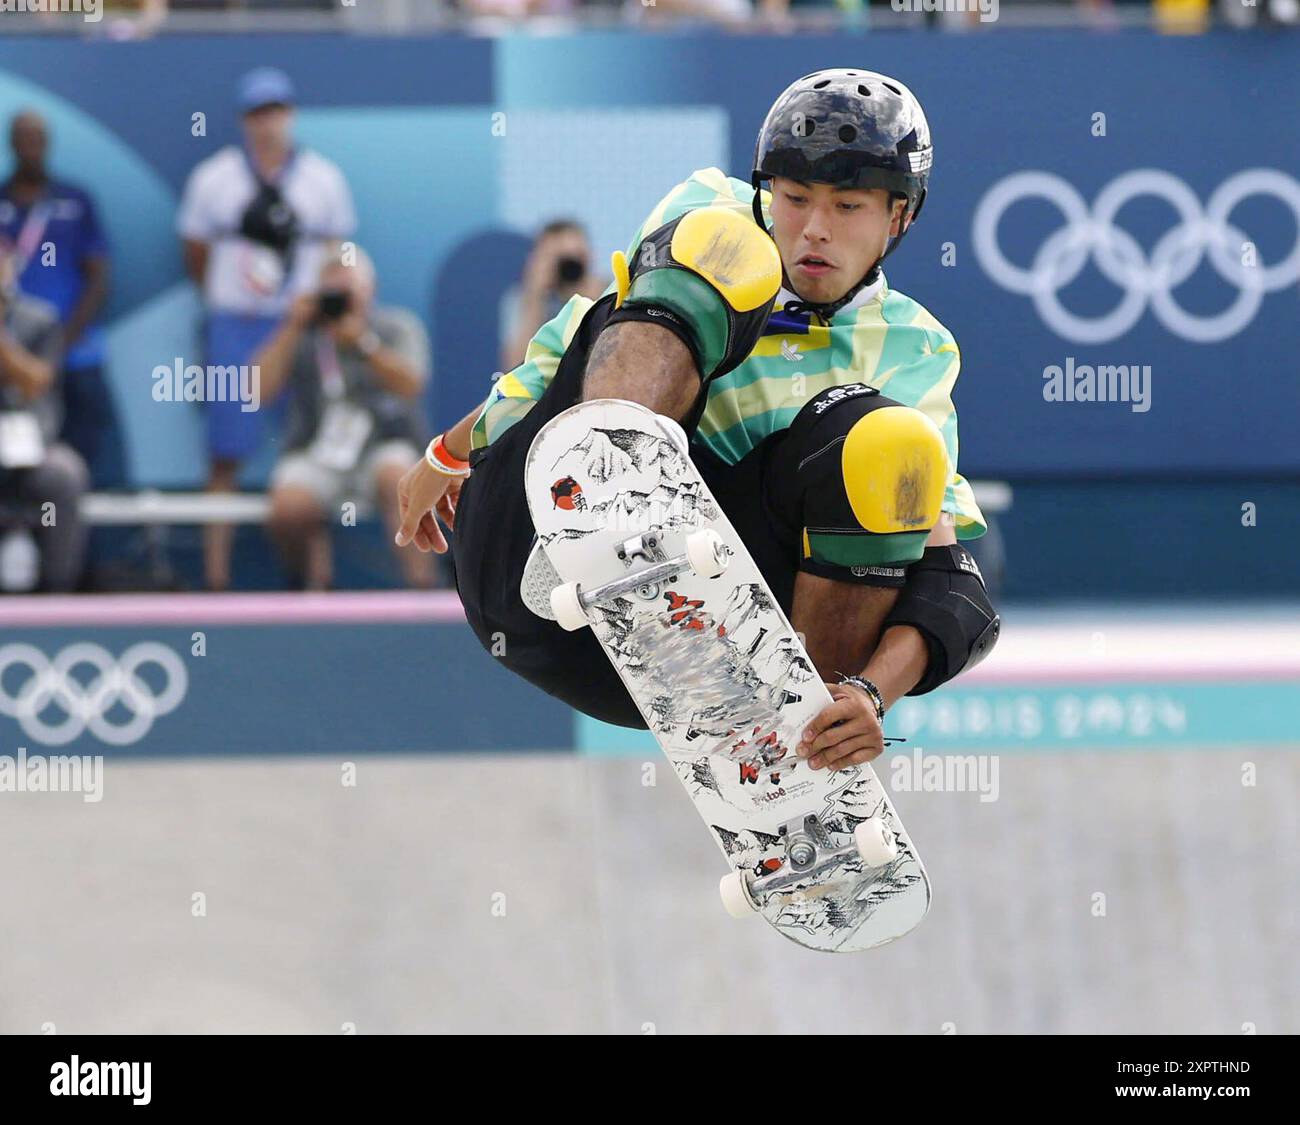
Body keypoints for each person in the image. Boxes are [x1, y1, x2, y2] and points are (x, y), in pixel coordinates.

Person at [397, 69, 1000, 769]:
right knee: (719, 247)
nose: (812, 230)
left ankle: (798, 752)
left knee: (885, 439)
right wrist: (448, 450)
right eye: (795, 199)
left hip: (703, 655)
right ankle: (599, 504)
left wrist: (870, 694)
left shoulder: (914, 349)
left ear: (900, 216)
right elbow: (576, 343)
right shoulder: (714, 207)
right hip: (533, 568)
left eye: (848, 207)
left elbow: (953, 583)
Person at [177, 66, 356, 590]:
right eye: (257, 113)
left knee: (309, 448)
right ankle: (216, 580)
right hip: (234, 326)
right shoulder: (215, 178)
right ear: (242, 120)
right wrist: (231, 295)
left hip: (300, 327)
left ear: (291, 115)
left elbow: (338, 255)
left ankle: (315, 580)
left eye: (276, 111)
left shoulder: (322, 179)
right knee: (226, 451)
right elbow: (195, 251)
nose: (268, 123)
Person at [254, 247, 434, 591]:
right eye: (331, 294)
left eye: (347, 292)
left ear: (372, 291)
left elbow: (412, 385)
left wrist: (364, 344)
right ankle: (307, 588)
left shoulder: (395, 327)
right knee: (290, 506)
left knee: (399, 478)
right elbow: (256, 391)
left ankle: (422, 587)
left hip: (382, 445)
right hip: (316, 451)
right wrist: (291, 326)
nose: (340, 302)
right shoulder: (305, 335)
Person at [0, 110, 124, 490]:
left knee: (84, 455)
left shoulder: (74, 200)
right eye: (24, 138)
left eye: (39, 138)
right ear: (12, 143)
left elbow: (98, 277)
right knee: (22, 453)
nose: (32, 146)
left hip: (75, 350)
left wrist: (61, 341)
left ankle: (95, 549)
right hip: (11, 353)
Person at [0, 243, 89, 592]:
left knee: (65, 475)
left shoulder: (39, 320)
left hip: (31, 445)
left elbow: (37, 382)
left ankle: (57, 594)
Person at [500, 219, 604, 373]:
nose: (569, 265)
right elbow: (513, 368)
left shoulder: (608, 292)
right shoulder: (522, 300)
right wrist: (535, 295)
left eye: (576, 256)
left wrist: (595, 302)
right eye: (561, 258)